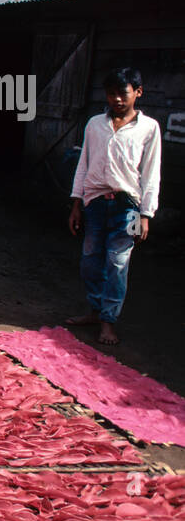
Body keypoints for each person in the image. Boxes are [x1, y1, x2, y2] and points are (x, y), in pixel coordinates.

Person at [65, 67, 162, 345]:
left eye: (123, 93)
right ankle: (95, 311)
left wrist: (145, 213)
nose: (117, 99)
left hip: (128, 205)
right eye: (111, 94)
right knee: (90, 260)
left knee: (118, 263)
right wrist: (76, 204)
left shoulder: (148, 128)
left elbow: (151, 172)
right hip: (95, 202)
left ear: (138, 92)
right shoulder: (95, 124)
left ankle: (109, 321)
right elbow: (83, 164)